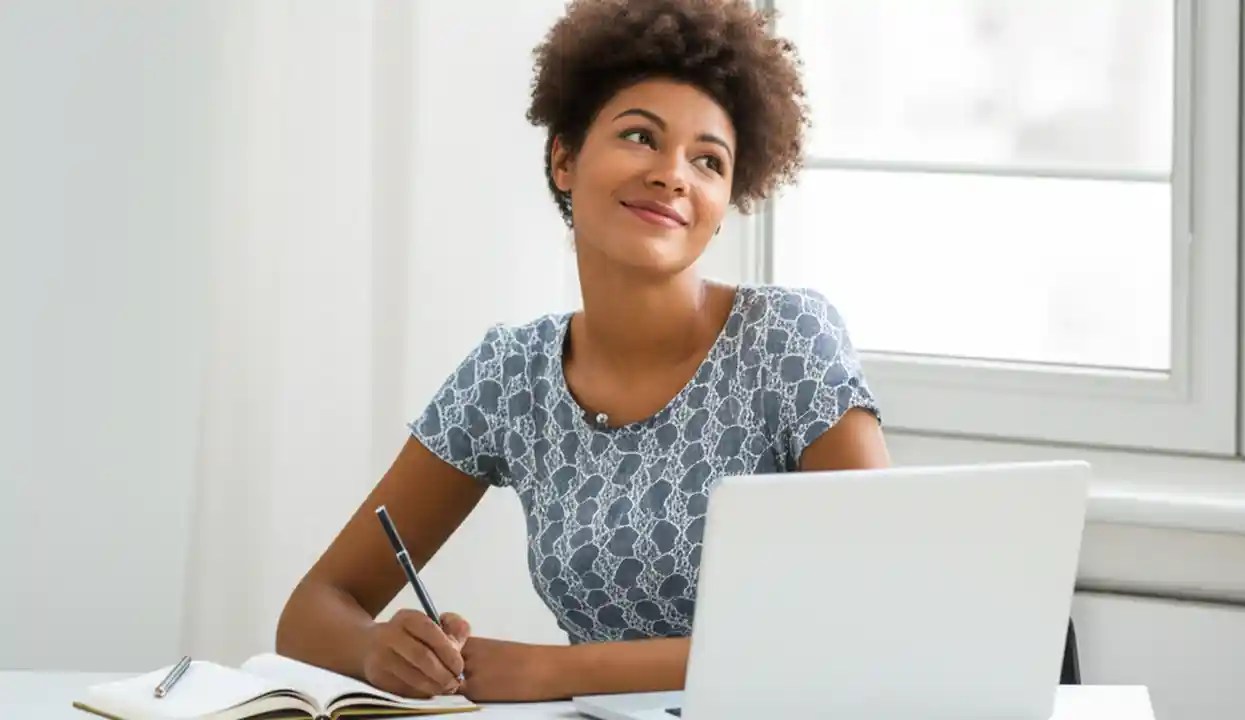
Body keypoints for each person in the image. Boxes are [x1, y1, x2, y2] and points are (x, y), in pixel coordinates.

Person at [276, 0, 890, 703]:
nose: (673, 175)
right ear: (565, 159)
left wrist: (557, 671)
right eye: (640, 136)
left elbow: (873, 615)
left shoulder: (788, 340)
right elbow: (311, 611)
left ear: (725, 203)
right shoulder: (510, 376)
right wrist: (375, 649)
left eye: (708, 161)